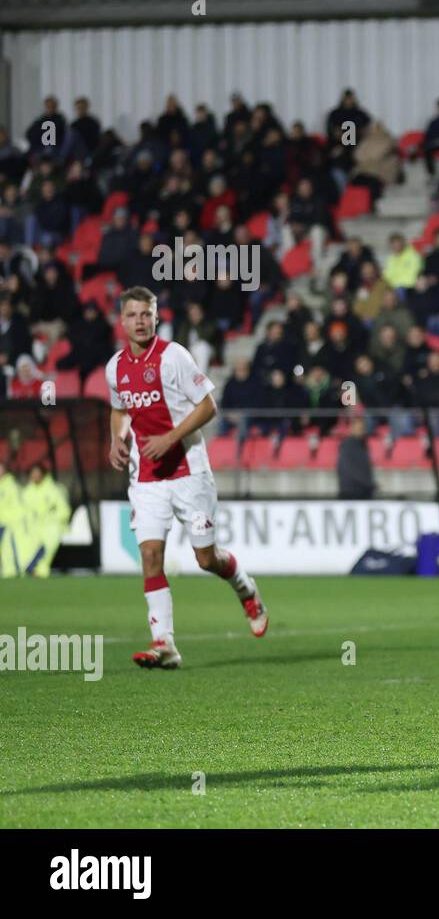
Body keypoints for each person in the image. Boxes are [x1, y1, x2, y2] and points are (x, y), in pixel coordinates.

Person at [106, 287, 268, 669]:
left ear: (156, 317)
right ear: (122, 320)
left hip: (189, 473)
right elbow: (119, 410)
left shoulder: (173, 356)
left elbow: (208, 405)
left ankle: (246, 589)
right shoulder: (114, 367)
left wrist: (170, 437)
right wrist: (116, 438)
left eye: (146, 314)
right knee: (149, 554)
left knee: (206, 558)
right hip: (146, 478)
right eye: (133, 315)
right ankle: (165, 643)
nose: (140, 321)